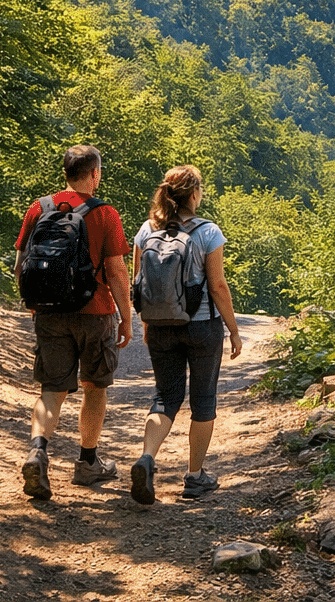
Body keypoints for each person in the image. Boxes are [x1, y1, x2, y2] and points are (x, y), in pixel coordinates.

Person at [14, 144, 133, 500]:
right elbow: (116, 272)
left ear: (65, 172)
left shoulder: (38, 207)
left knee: (51, 390)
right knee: (95, 387)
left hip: (49, 313)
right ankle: (87, 464)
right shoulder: (105, 214)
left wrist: (36, 303)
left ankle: (38, 451)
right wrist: (126, 319)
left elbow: (21, 263)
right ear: (94, 174)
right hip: (95, 313)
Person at [129, 165, 242, 504]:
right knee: (203, 400)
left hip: (162, 326)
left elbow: (141, 286)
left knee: (165, 397)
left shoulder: (145, 231)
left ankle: (147, 459)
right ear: (193, 195)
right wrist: (234, 331)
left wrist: (148, 326)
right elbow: (218, 285)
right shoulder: (208, 232)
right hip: (202, 326)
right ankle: (194, 477)